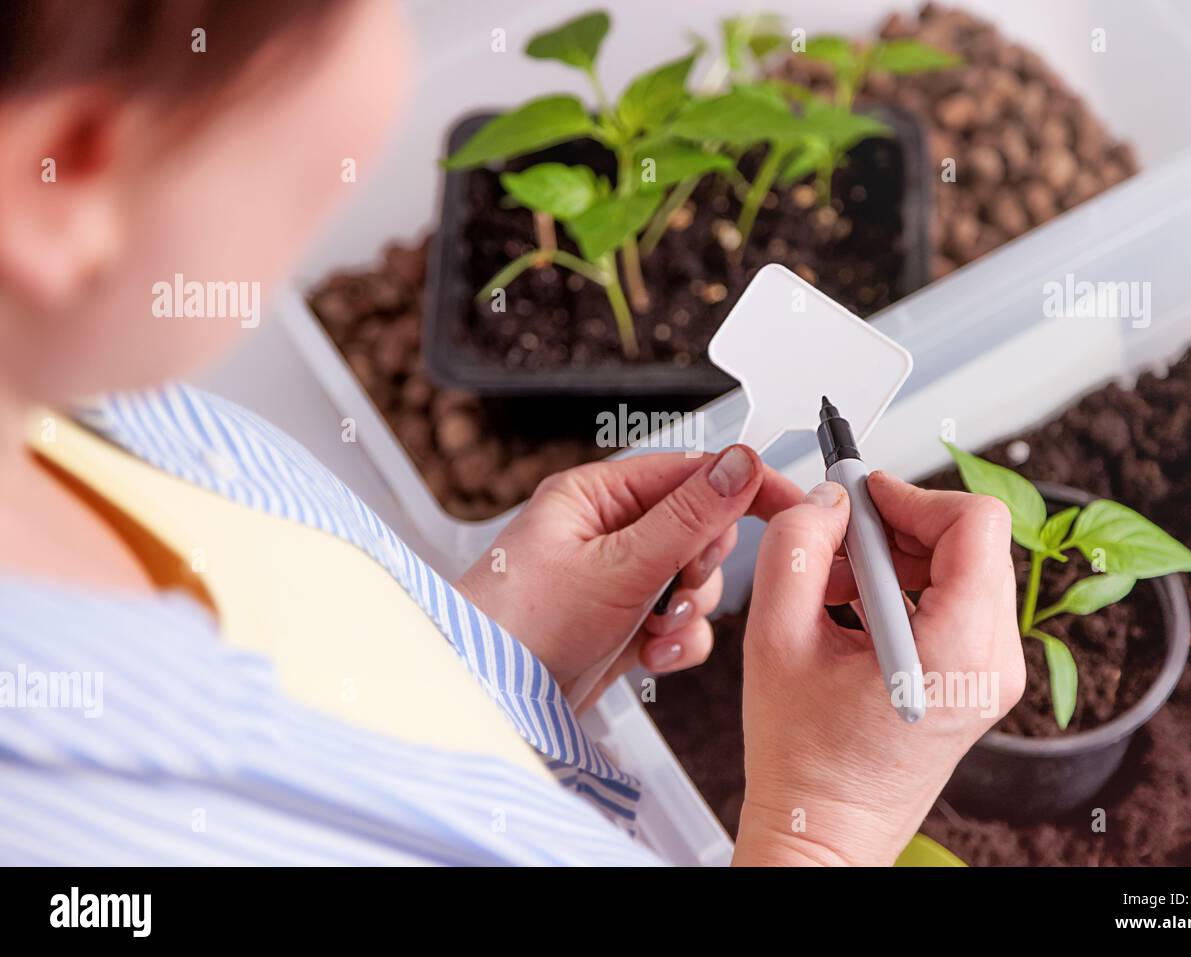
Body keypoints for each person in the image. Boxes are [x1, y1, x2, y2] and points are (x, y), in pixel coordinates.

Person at [0, 0, 1024, 866]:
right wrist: (828, 824)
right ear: (63, 172)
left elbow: (318, 666)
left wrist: (501, 657)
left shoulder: (93, 414)